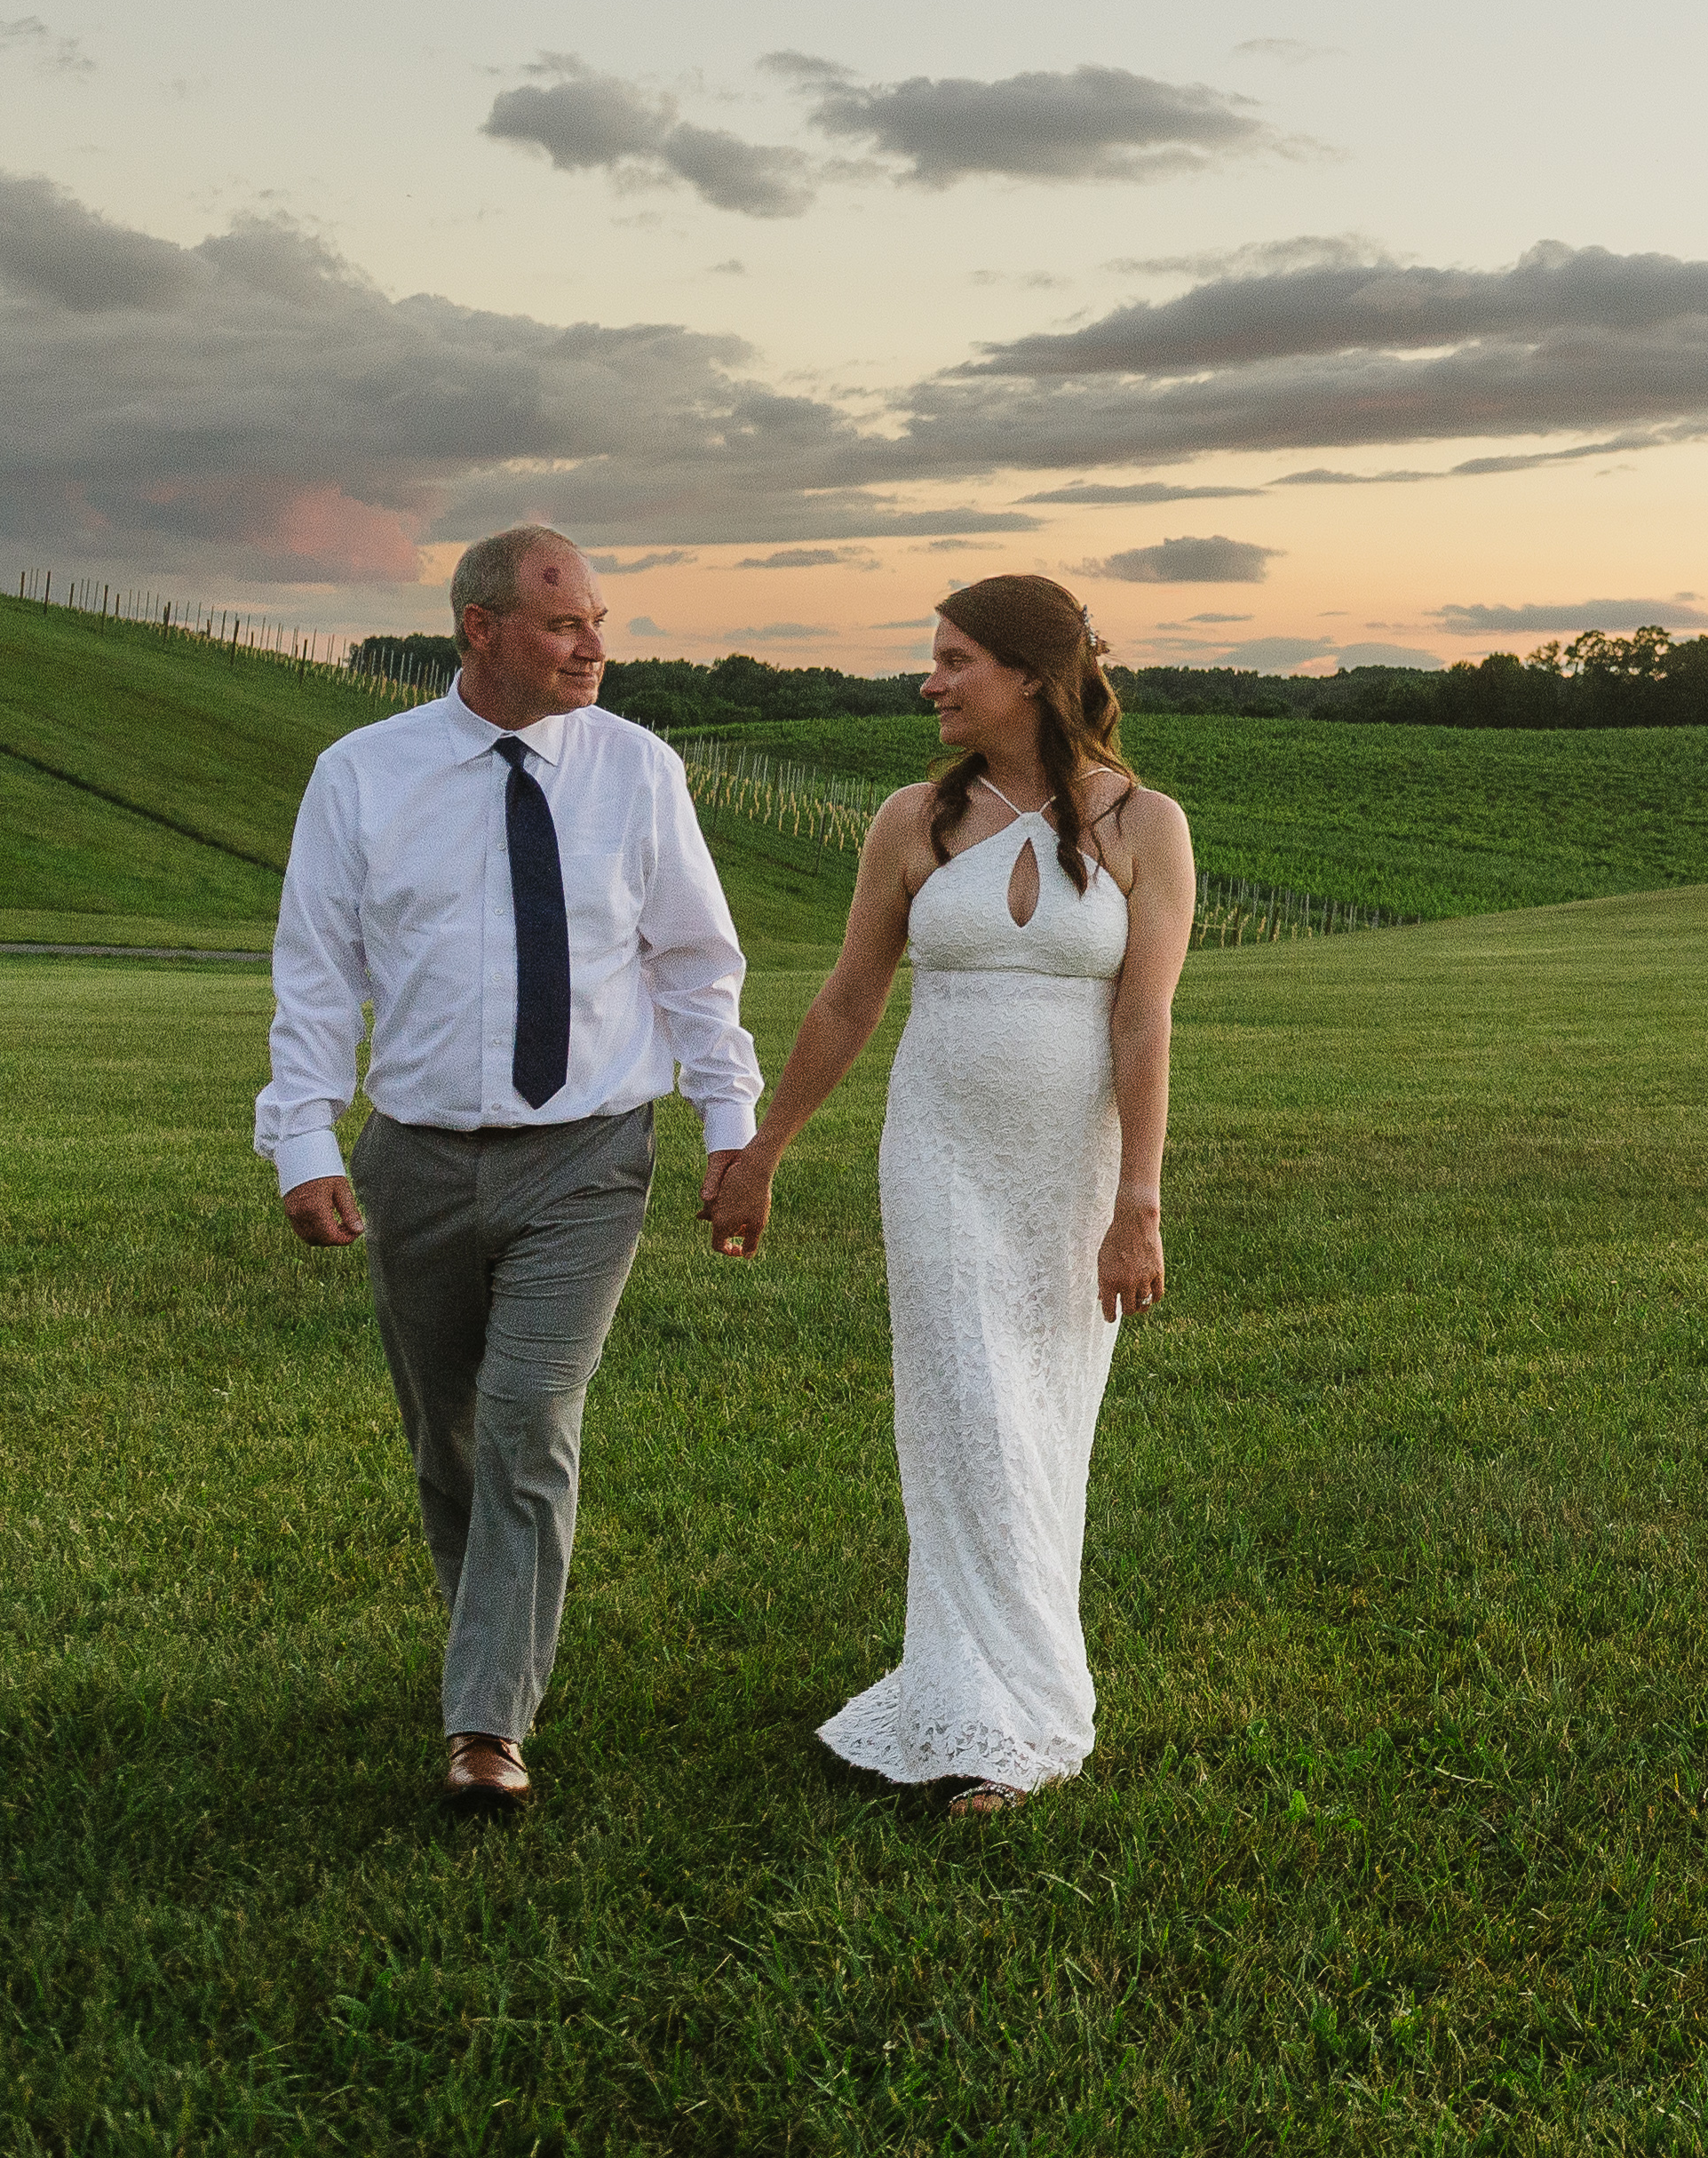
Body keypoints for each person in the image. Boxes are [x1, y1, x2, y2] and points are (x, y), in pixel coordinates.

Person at [258, 526, 762, 1816]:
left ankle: (486, 1721)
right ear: (479, 628)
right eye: (562, 623)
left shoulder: (638, 771)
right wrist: (303, 1140)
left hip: (589, 1155)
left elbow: (693, 962)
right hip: (417, 1158)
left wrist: (731, 1124)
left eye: (598, 622)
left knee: (529, 1412)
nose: (593, 647)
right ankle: (491, 1642)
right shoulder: (361, 775)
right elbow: (317, 972)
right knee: (449, 1440)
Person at [702, 573, 1190, 1815]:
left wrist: (1137, 1202)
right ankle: (989, 1714)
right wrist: (763, 1150)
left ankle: (1014, 1697)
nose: (931, 683)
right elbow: (848, 997)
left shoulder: (1147, 825)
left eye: (955, 659)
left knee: (1041, 1422)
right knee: (965, 1411)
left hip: (1069, 1172)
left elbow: (1144, 1021)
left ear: (1030, 674)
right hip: (939, 1155)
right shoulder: (911, 819)